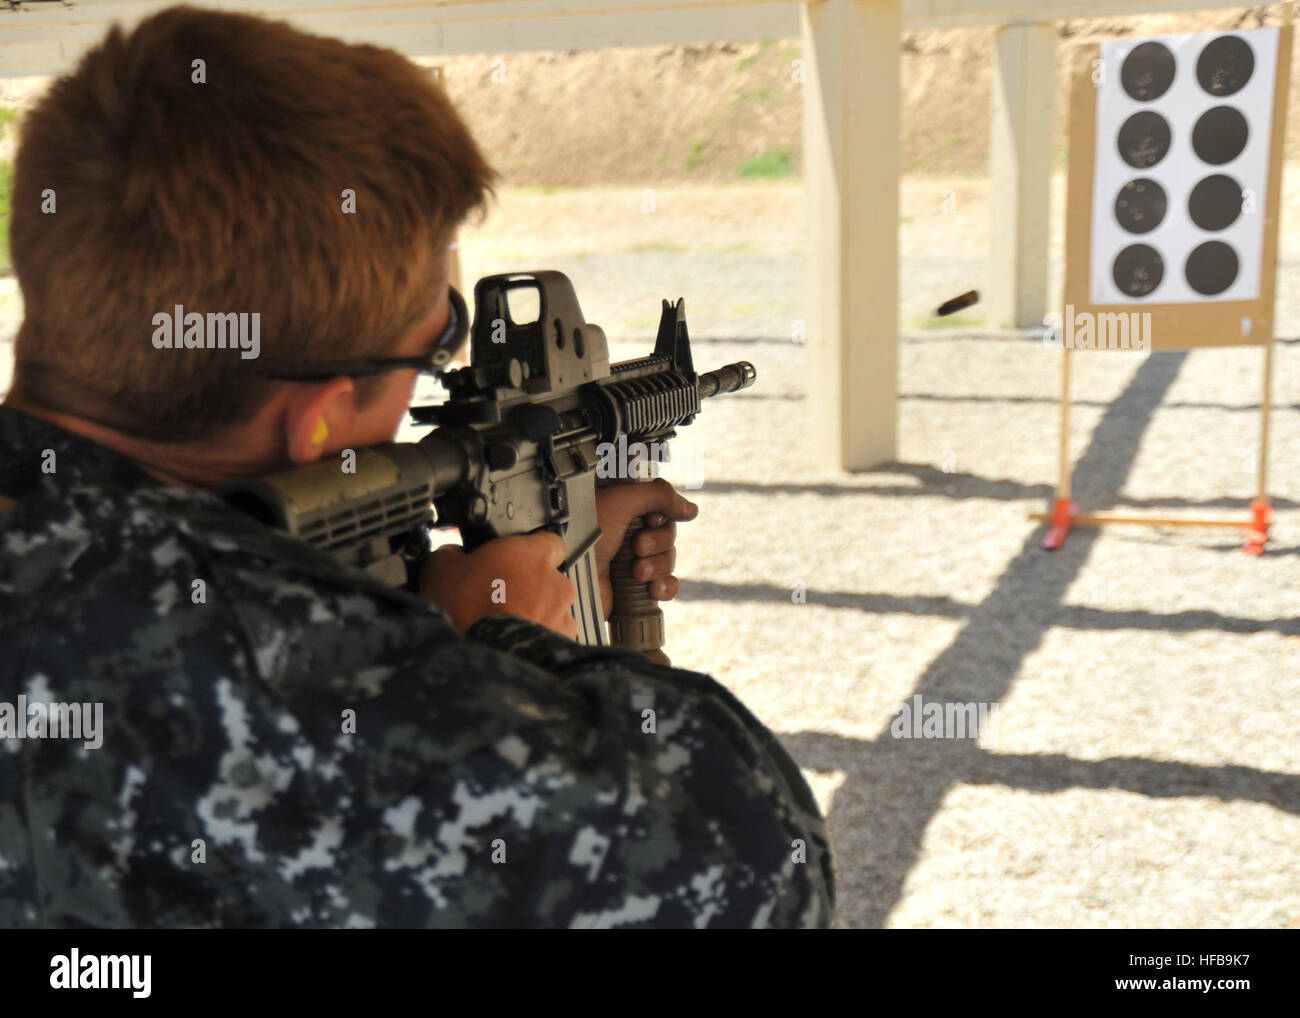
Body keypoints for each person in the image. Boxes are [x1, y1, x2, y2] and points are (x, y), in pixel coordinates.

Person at [0, 6, 834, 928]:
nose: (441, 371)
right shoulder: (269, 658)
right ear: (318, 422)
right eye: (438, 345)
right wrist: (501, 639)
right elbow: (756, 859)